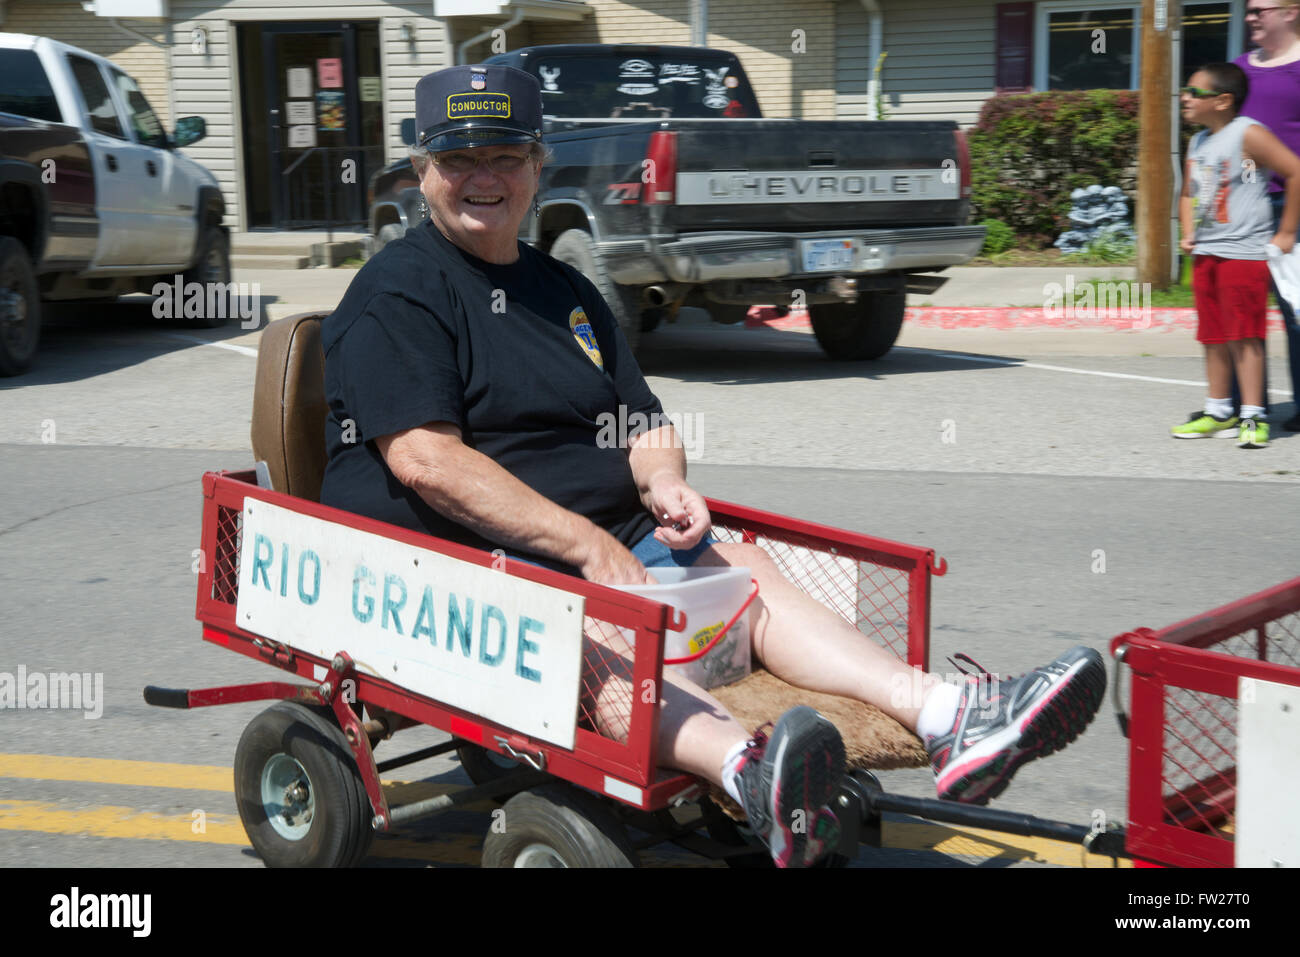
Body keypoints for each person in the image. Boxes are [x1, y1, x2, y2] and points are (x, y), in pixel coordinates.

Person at [319, 64, 1107, 866]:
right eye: (461, 159)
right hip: (464, 568)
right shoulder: (401, 292)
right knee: (597, 638)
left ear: (538, 165)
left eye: (507, 156)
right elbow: (426, 461)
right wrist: (587, 548)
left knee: (745, 567)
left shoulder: (564, 289)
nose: (485, 178)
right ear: (423, 171)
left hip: (609, 543)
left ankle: (949, 715)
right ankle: (750, 771)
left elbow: (642, 420)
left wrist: (662, 480)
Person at [1173, 63, 1300, 448]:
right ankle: (1217, 410)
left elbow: (1294, 172)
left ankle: (1253, 416)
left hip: (1244, 254)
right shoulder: (1197, 142)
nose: (1185, 98)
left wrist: (1287, 233)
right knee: (1212, 336)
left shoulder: (1248, 133)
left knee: (1245, 336)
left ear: (1223, 101)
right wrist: (1188, 232)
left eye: (1193, 92)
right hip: (1208, 253)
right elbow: (1188, 194)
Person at [1235, 0, 1300, 430]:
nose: (1250, 17)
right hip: (1245, 206)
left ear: (1291, 12)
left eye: (1260, 9)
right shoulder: (1238, 70)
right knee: (1241, 308)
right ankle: (1246, 408)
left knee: (1296, 310)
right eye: (1249, 10)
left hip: (1293, 203)